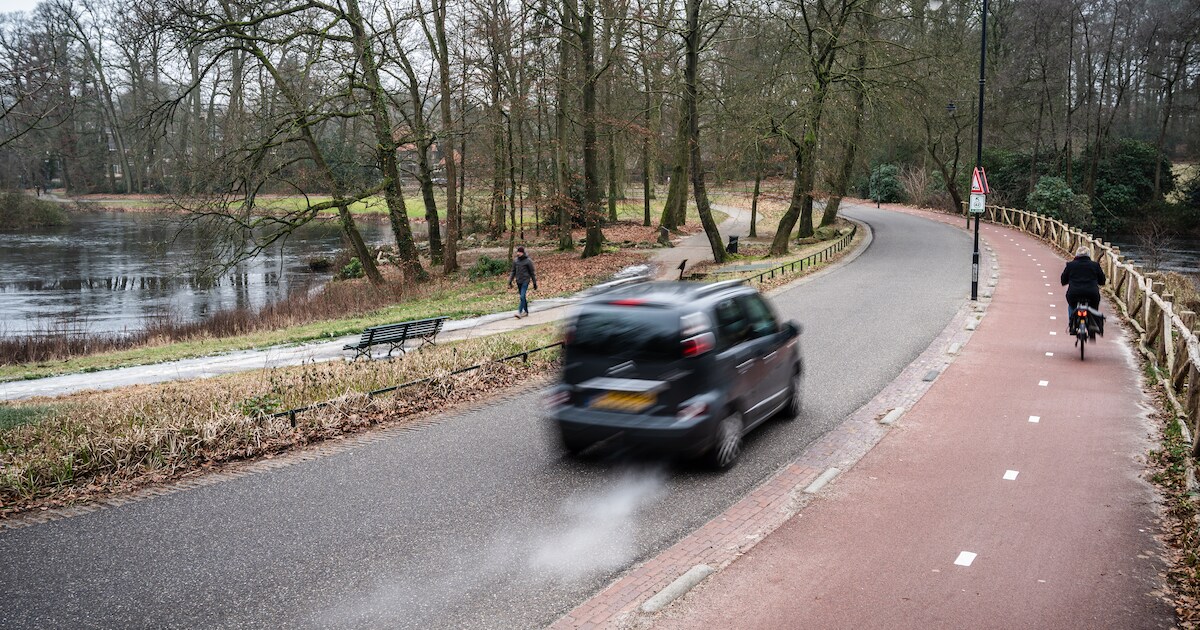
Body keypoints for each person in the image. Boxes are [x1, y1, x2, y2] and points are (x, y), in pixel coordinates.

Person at [1060, 246, 1106, 334]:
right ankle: (1093, 325)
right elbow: (1102, 280)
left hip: (1074, 293)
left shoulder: (1070, 265)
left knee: (1071, 305)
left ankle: (1072, 325)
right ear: (1089, 255)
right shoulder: (1095, 265)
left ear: (1077, 254)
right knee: (1094, 306)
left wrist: (1067, 281)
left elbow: (1063, 280)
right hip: (1092, 293)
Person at [508, 246, 537, 318]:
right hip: (518, 281)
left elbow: (532, 272)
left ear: (523, 253)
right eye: (518, 252)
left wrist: (534, 283)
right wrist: (510, 281)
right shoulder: (515, 261)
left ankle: (519, 312)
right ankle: (526, 312)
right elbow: (513, 271)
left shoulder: (528, 261)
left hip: (525, 280)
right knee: (522, 297)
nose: (518, 253)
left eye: (520, 252)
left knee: (522, 296)